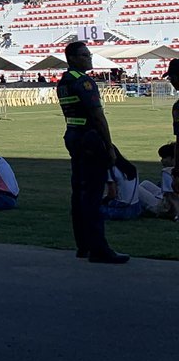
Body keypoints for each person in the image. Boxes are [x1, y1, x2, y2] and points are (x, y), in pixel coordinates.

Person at [56, 40, 128, 263]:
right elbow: (97, 116)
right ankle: (99, 248)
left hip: (73, 135)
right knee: (93, 195)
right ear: (73, 58)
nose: (89, 57)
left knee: (79, 192)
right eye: (85, 55)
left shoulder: (64, 82)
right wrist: (109, 146)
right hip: (90, 138)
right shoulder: (84, 82)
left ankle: (83, 245)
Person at [100, 146, 142, 221]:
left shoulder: (111, 170)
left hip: (123, 210)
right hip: (136, 207)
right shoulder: (131, 167)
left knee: (91, 208)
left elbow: (112, 194)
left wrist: (102, 201)